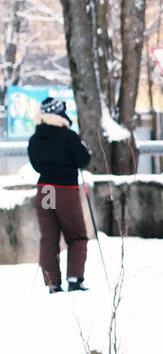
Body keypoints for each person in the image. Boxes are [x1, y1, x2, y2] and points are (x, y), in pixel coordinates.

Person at [27, 97, 92, 294]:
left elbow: (36, 165)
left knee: (49, 237)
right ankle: (74, 278)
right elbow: (83, 159)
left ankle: (52, 283)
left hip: (45, 189)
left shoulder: (35, 139)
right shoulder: (68, 136)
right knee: (77, 235)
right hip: (65, 190)